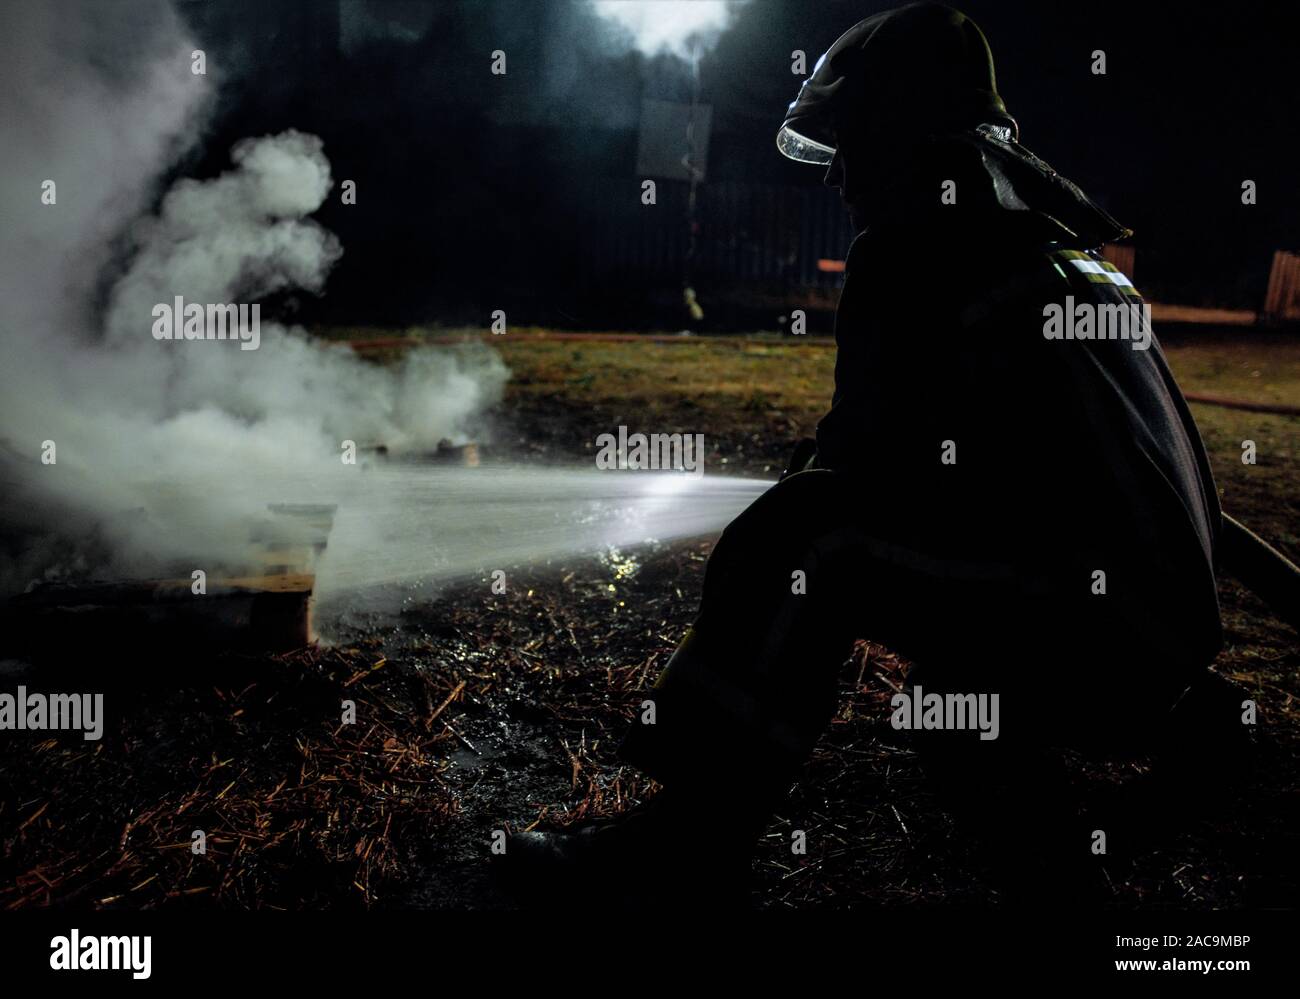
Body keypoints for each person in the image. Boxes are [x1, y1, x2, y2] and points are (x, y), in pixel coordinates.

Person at [499, 2, 1245, 908]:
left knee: (804, 541)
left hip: (1101, 625)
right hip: (1157, 628)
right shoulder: (1063, 252)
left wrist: (775, 538)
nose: (842, 177)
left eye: (855, 143)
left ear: (906, 139)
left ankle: (690, 841)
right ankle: (1150, 764)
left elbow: (858, 474)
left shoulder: (922, 253)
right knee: (951, 710)